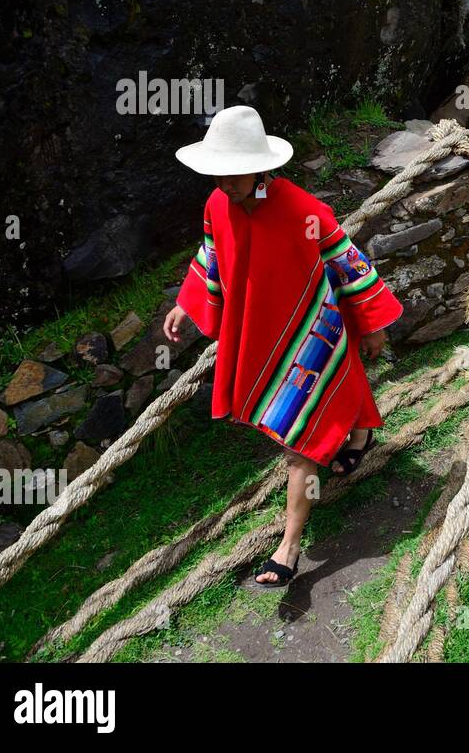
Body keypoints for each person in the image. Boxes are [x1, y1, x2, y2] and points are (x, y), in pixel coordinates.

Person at [165, 105, 403, 587]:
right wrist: (186, 305)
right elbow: (211, 256)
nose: (224, 184)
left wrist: (373, 323)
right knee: (334, 392)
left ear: (262, 167)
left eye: (233, 175)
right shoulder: (217, 206)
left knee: (298, 442)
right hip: (256, 331)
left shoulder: (305, 212)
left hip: (315, 331)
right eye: (218, 174)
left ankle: (289, 548)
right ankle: (359, 435)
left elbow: (346, 263)